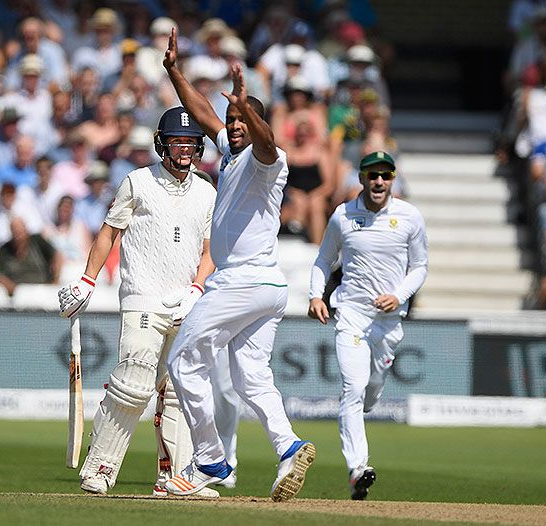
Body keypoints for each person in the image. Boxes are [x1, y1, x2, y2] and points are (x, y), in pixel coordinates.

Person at [160, 29, 316, 502]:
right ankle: (289, 446)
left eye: (240, 120)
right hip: (264, 286)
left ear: (254, 120)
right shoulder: (230, 153)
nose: (233, 125)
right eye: (231, 120)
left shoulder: (269, 160)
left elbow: (267, 140)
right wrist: (174, 72)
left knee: (183, 360)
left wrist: (249, 108)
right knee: (251, 377)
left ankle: (209, 459)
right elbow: (202, 114)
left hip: (241, 282)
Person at [57, 106, 219, 497]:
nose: (184, 149)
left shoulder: (207, 191)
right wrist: (87, 280)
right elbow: (108, 232)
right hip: (142, 296)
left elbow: (210, 250)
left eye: (191, 142)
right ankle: (100, 469)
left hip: (185, 302)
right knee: (133, 383)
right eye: (177, 141)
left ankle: (175, 477)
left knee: (179, 391)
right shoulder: (138, 181)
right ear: (162, 144)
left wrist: (197, 289)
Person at [307, 151, 428, 500]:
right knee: (354, 388)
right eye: (372, 175)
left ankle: (367, 406)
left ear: (393, 180)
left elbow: (419, 267)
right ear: (361, 178)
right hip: (352, 314)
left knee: (371, 392)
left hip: (388, 322)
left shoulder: (409, 216)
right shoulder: (343, 215)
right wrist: (316, 296)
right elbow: (324, 259)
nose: (378, 182)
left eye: (385, 176)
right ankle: (357, 469)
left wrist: (398, 295)